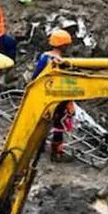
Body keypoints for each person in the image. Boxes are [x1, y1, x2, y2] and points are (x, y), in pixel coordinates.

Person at [33, 29, 75, 160]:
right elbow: (67, 83)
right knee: (59, 124)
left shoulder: (44, 57)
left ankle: (38, 145)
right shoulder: (63, 62)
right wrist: (69, 101)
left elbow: (36, 76)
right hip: (58, 96)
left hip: (44, 94)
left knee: (42, 120)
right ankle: (56, 152)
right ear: (64, 45)